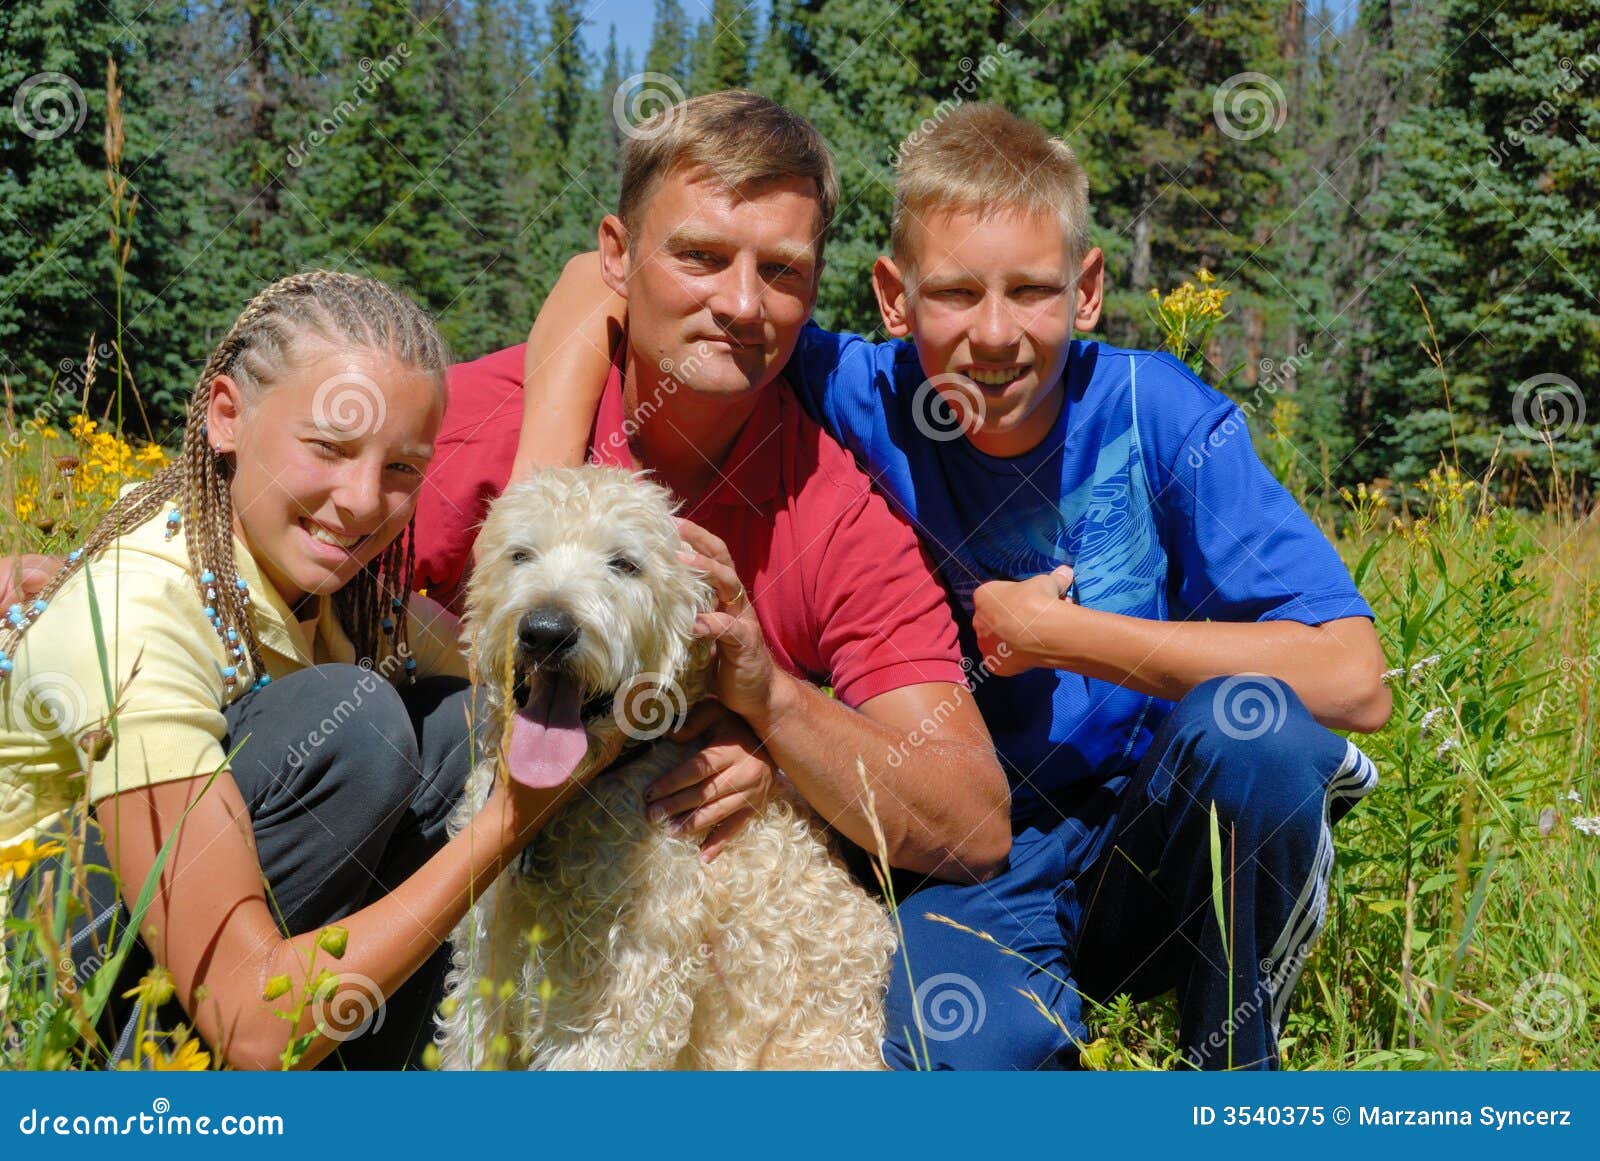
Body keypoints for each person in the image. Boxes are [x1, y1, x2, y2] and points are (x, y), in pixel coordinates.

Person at [517, 101, 1392, 1069]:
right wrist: (537, 508)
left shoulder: (1160, 415)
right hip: (985, 854)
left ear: (1087, 289)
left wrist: (1064, 638)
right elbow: (588, 282)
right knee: (949, 1052)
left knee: (1257, 734)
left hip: (1154, 821)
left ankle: (1234, 1068)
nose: (995, 334)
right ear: (894, 299)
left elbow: (1354, 679)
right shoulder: (852, 385)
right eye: (954, 294)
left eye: (1032, 291)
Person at [409, 90, 1011, 880]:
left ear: (818, 283)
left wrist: (777, 716)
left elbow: (973, 825)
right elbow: (300, 624)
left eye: (782, 270)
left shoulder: (830, 509)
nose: (739, 304)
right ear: (618, 256)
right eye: (699, 255)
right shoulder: (468, 427)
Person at [1, 272, 595, 1070]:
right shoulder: (138, 616)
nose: (360, 501)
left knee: (464, 727)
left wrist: (734, 721)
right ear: (226, 416)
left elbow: (512, 664)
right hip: (43, 998)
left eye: (400, 469)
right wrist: (507, 820)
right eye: (329, 447)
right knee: (355, 722)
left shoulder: (350, 599)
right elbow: (254, 1025)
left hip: (211, 980)